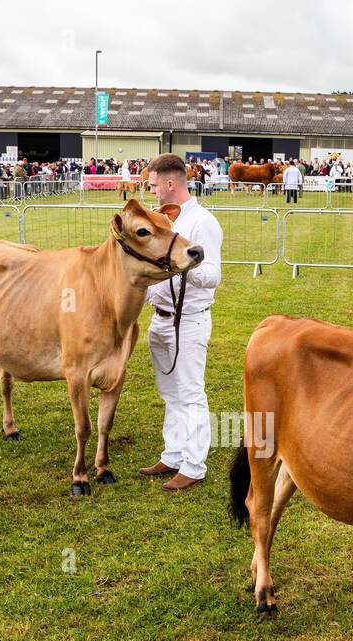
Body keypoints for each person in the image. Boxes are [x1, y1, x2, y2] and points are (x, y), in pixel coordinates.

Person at [137, 153, 222, 492]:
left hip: (189, 321)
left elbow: (213, 275)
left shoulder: (201, 222)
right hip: (160, 318)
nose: (152, 190)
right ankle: (172, 453)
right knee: (169, 392)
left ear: (170, 183)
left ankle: (194, 465)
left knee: (190, 393)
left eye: (154, 185)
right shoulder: (160, 220)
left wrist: (183, 265)